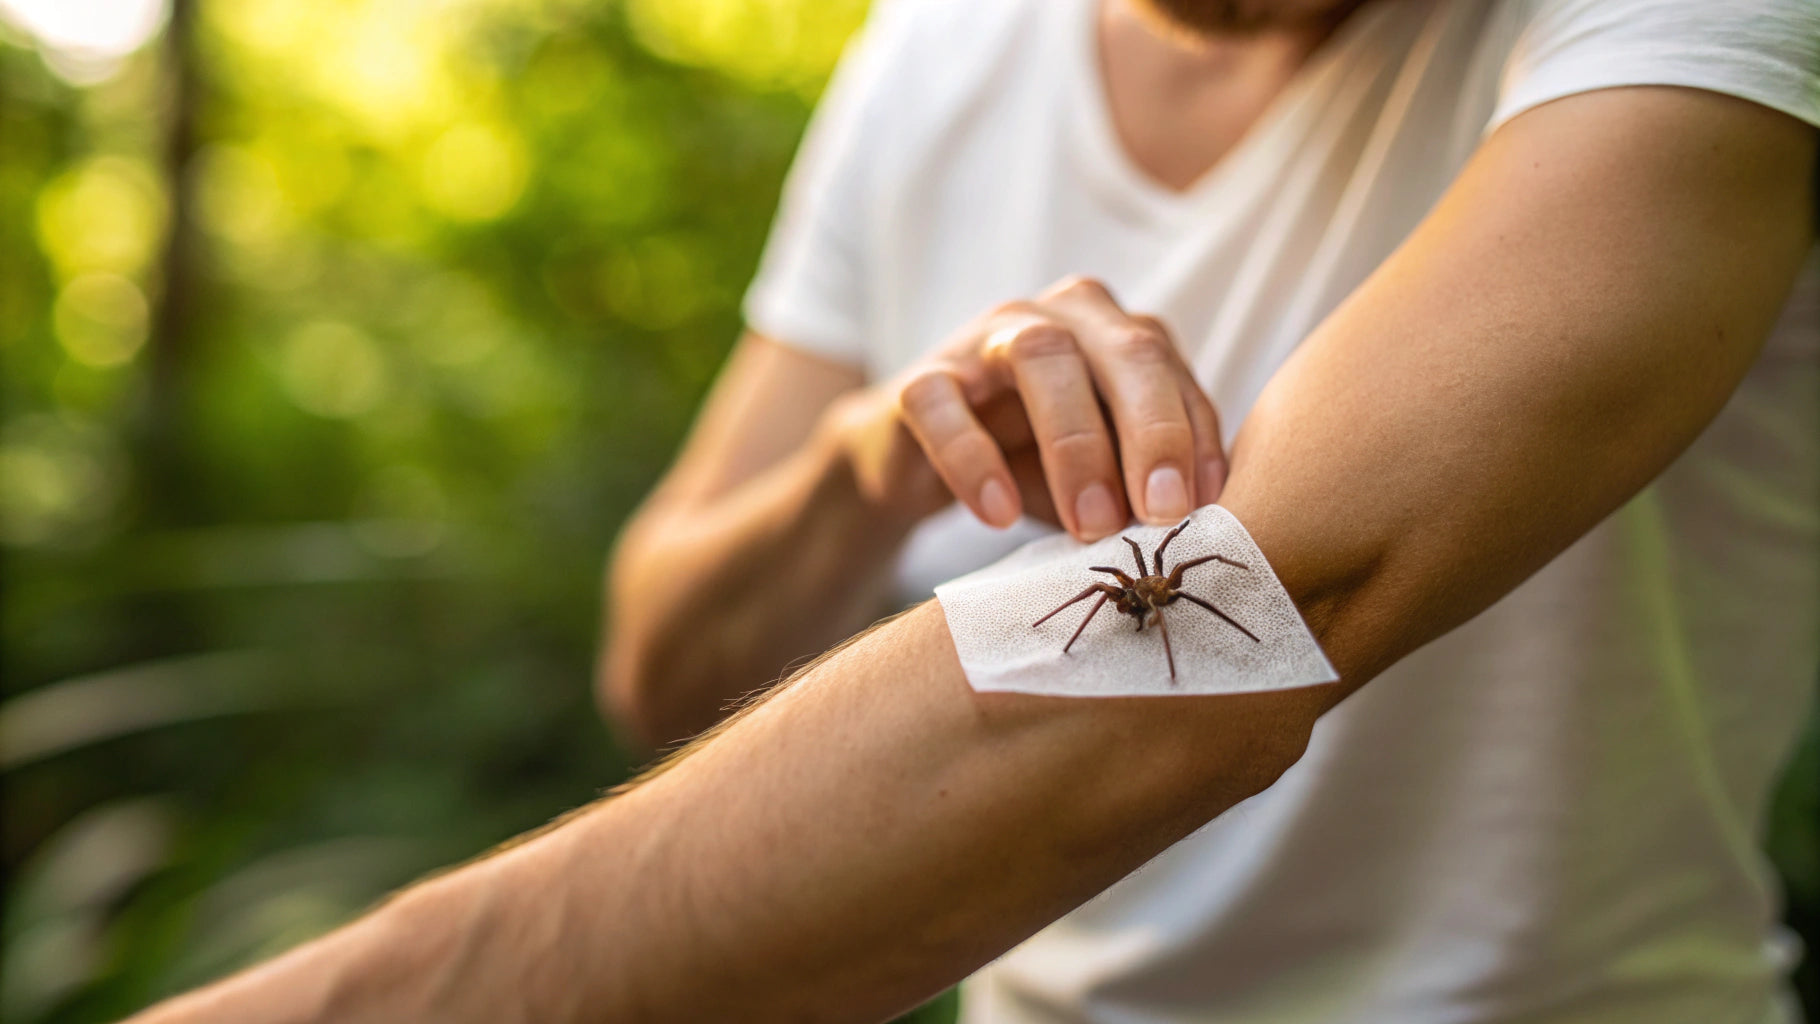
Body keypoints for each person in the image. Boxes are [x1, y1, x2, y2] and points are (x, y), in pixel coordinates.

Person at [129, 0, 1818, 1021]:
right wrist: (878, 457)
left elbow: (1260, 603)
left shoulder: (1663, 32)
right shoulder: (937, 55)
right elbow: (660, 655)